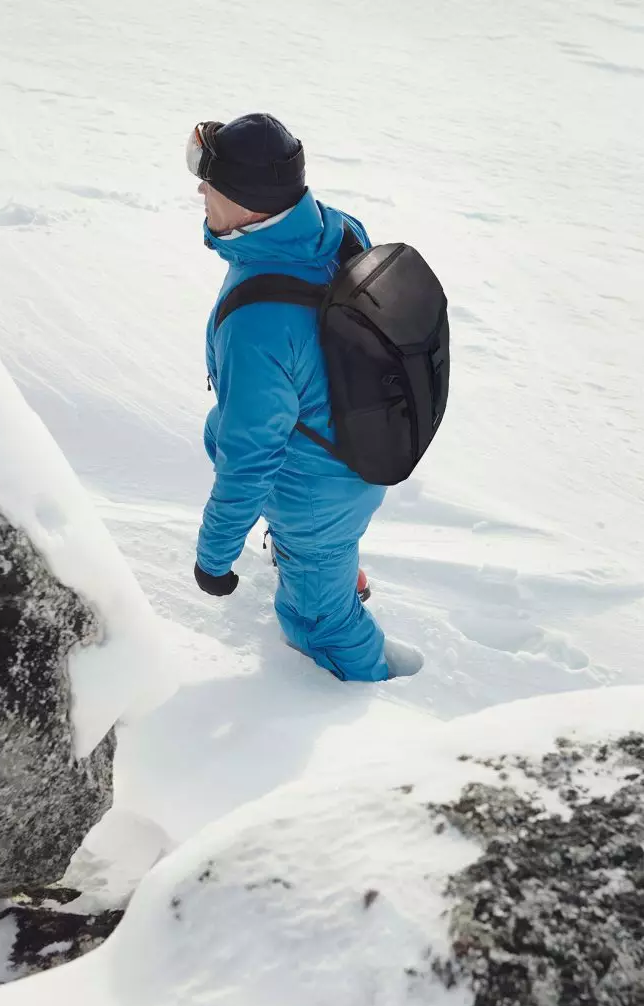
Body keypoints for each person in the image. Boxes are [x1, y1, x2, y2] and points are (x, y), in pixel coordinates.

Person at [187, 113, 390, 683]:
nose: (200, 189)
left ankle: (376, 709)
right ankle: (332, 564)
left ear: (248, 205)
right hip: (348, 446)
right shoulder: (334, 228)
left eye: (211, 181)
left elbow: (249, 459)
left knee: (318, 624)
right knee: (222, 431)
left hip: (315, 491)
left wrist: (215, 560)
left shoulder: (260, 326)